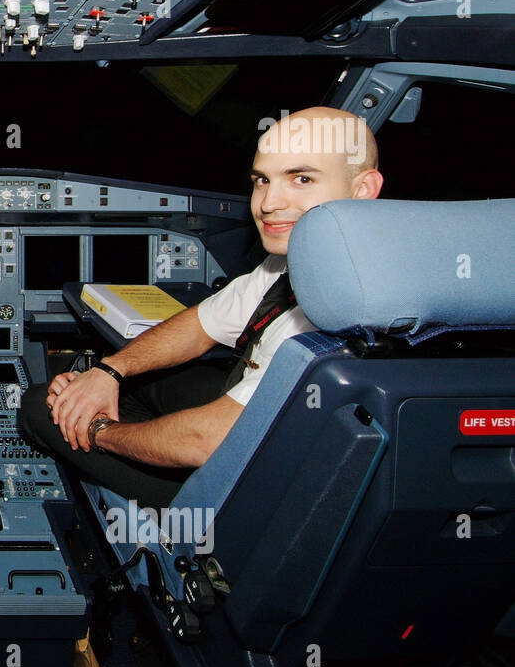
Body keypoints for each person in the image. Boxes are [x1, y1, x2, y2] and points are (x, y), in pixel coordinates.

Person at [20, 107, 383, 508]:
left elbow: (205, 441)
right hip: (265, 427)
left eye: (302, 179)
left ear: (363, 189)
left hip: (249, 485)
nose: (268, 203)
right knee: (123, 378)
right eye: (262, 180)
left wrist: (99, 430)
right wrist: (109, 372)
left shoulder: (341, 311)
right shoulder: (304, 263)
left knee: (39, 406)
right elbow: (200, 325)